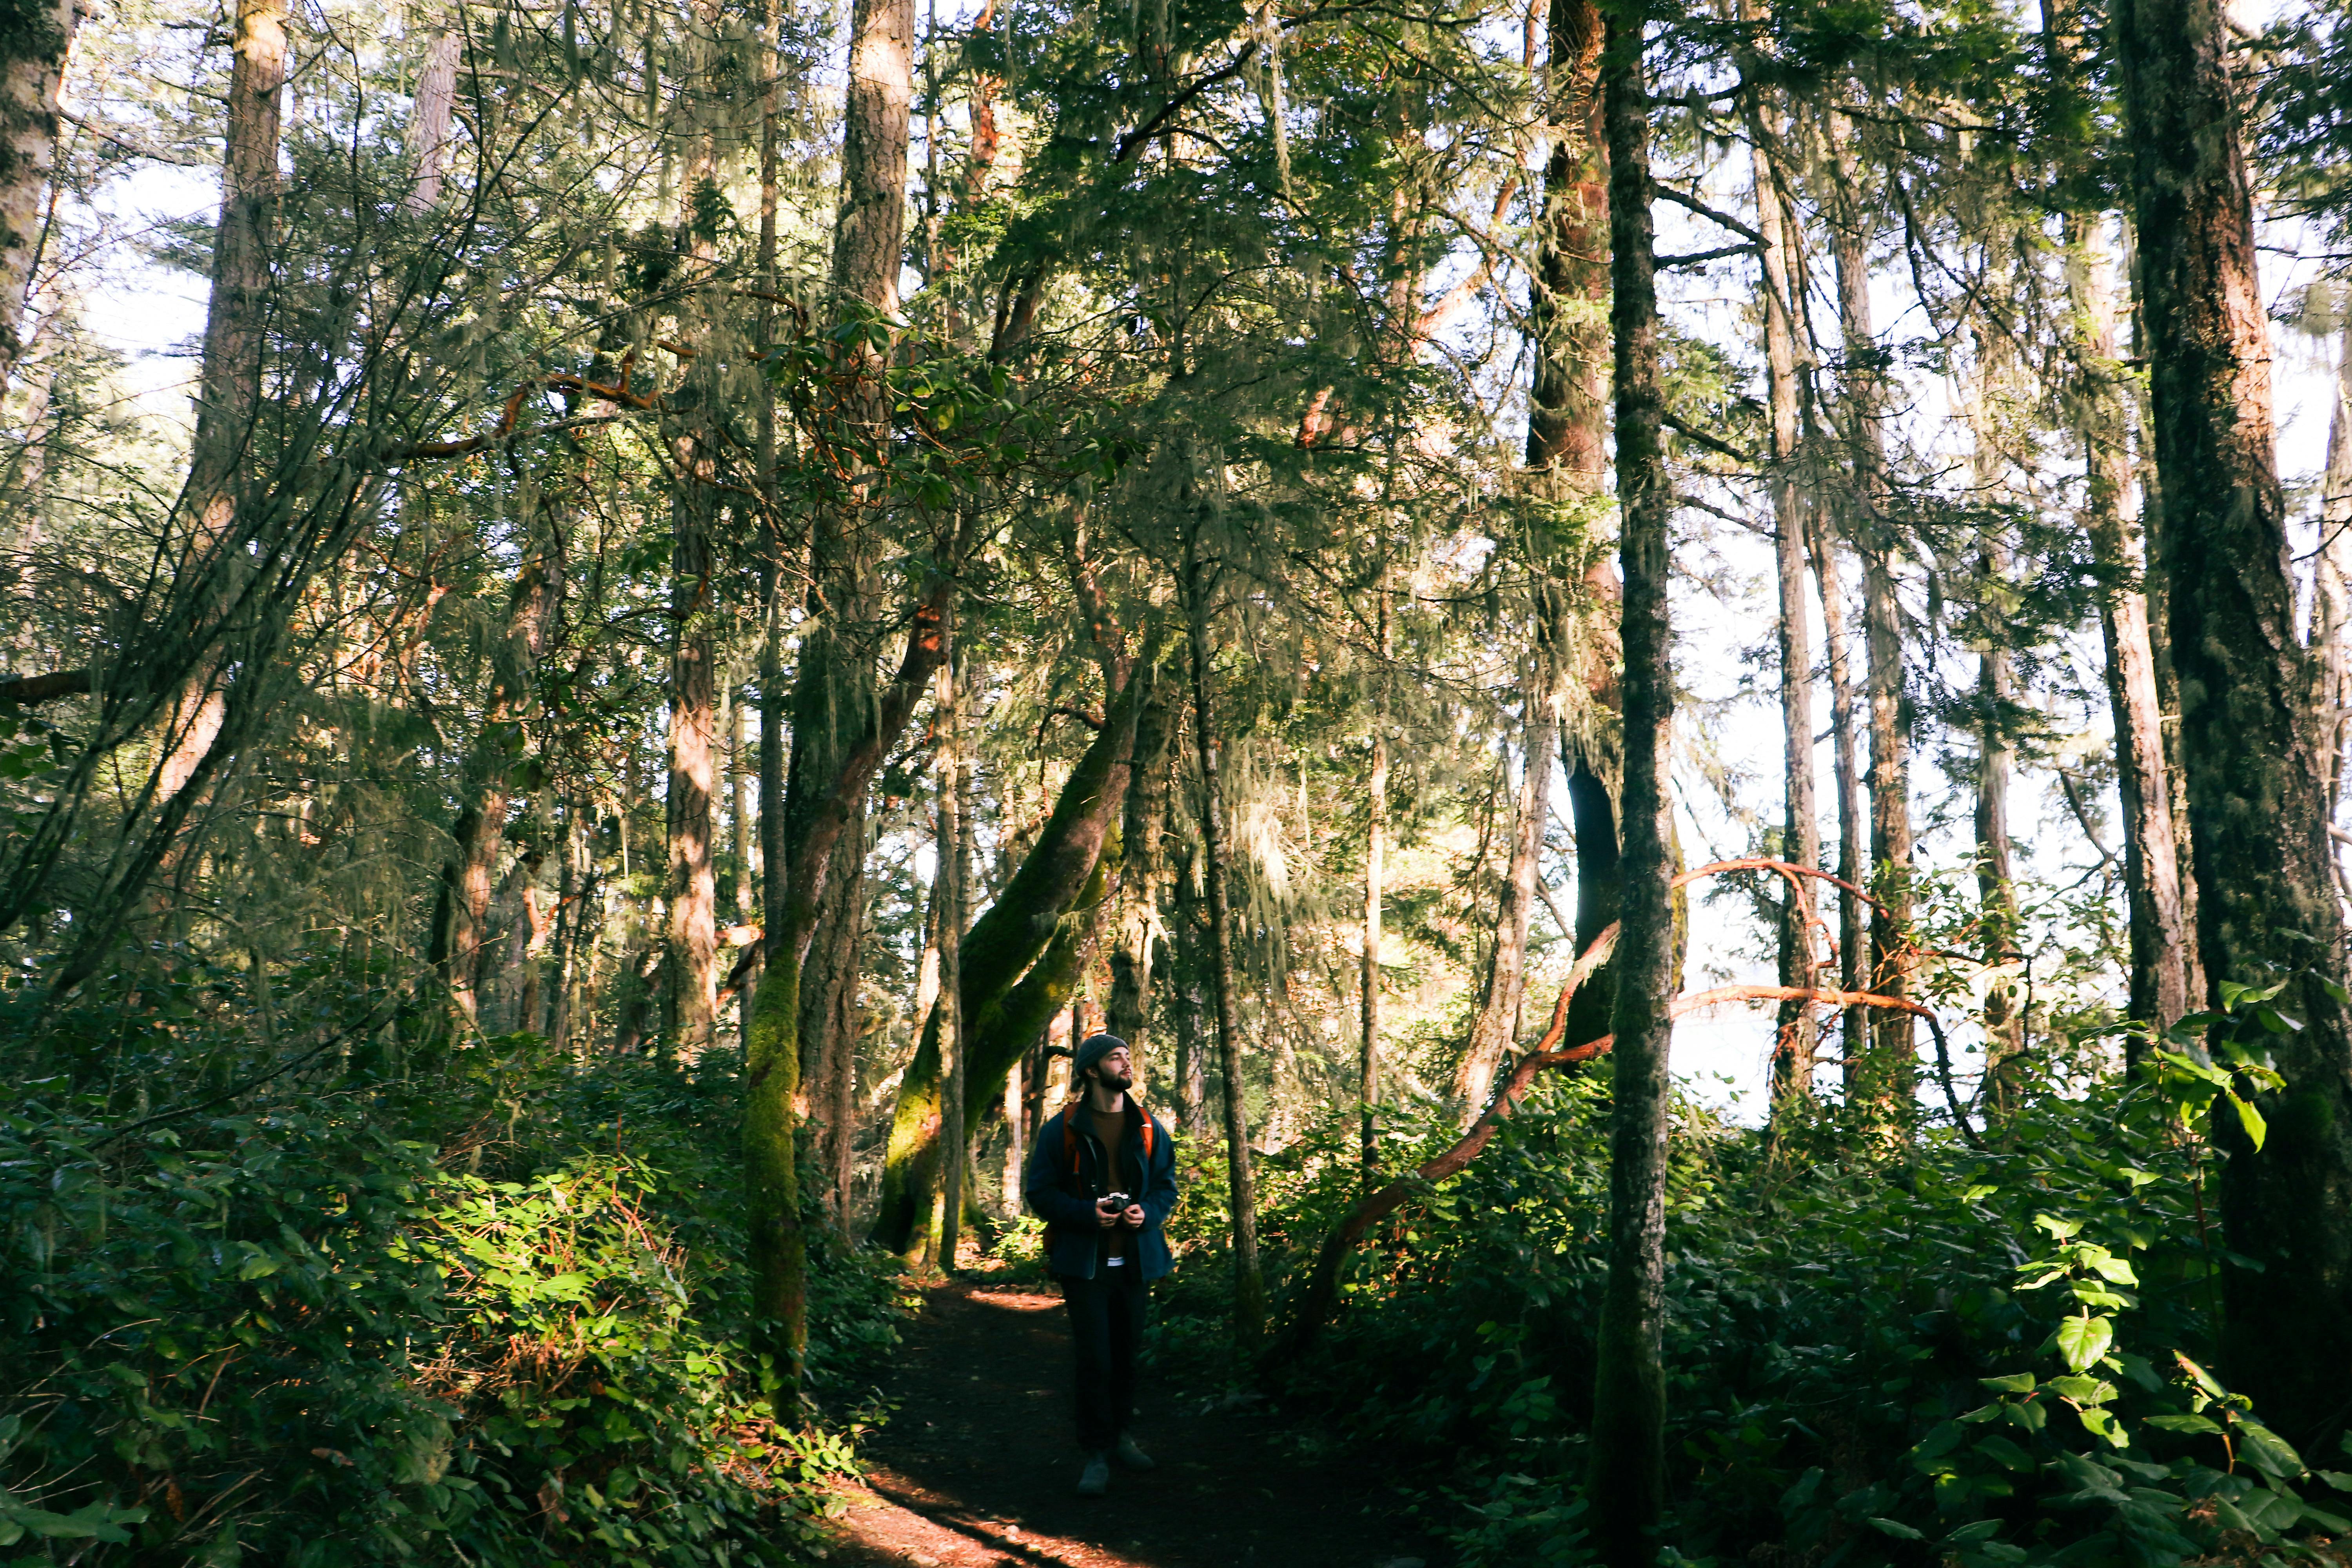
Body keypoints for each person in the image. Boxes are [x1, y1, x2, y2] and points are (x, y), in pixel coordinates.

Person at [1023, 1031, 1178, 1497]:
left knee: (1127, 1354)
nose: (1127, 1064)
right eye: (1116, 1058)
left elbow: (1166, 1187)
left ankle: (1122, 1436)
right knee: (1095, 1358)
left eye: (1128, 1056)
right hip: (1085, 1263)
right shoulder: (1063, 1129)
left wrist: (1147, 1213)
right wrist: (1085, 1214)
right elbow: (1040, 1192)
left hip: (1136, 1260)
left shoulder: (1147, 1127)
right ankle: (1095, 1452)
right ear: (1091, 1070)